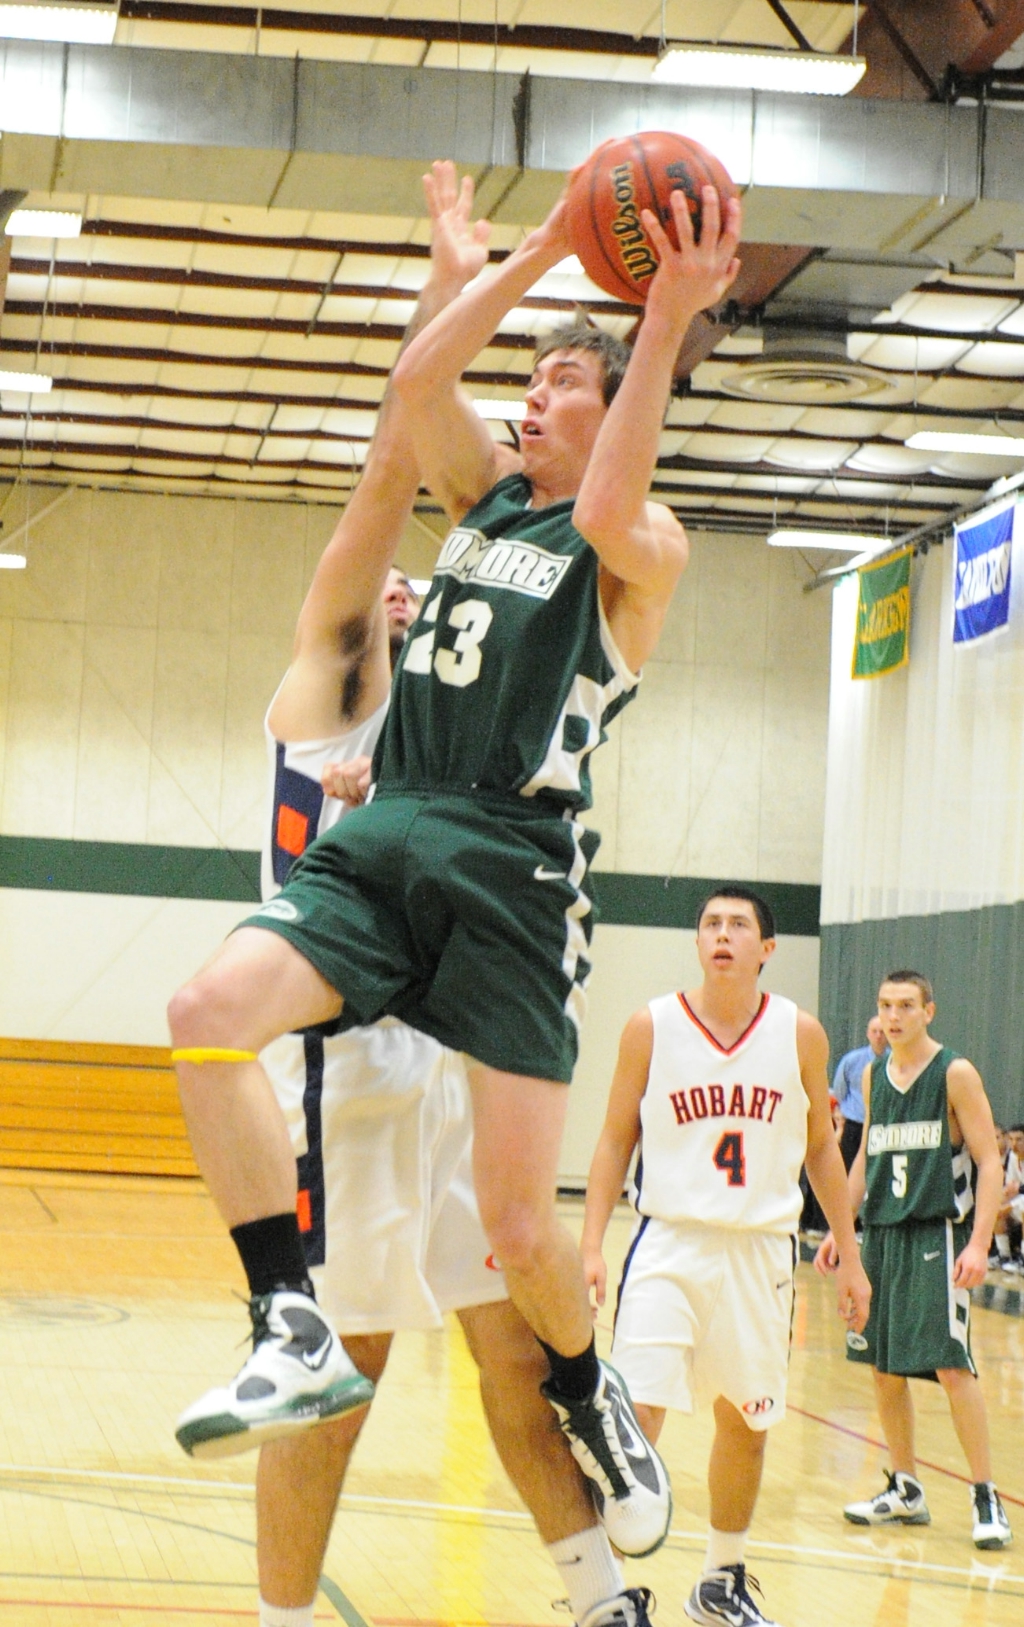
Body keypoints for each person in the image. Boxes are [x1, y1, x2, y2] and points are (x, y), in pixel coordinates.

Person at [167, 159, 742, 1556]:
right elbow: (416, 386)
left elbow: (609, 509)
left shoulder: (638, 547)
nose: (530, 400)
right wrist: (539, 246)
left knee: (517, 1225)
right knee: (204, 1013)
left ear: (615, 411)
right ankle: (283, 1311)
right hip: (398, 815)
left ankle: (592, 1387)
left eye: (560, 387)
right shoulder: (483, 501)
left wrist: (664, 314)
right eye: (533, 385)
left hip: (513, 859)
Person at [234, 166, 652, 1627]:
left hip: (465, 1022)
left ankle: (603, 1595)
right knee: (342, 1380)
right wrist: (456, 280)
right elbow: (393, 454)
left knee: (512, 1360)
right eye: (405, 587)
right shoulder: (333, 674)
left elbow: (449, 464)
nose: (421, 596)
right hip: (352, 1045)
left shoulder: (475, 671)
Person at [581, 886, 871, 1627]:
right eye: (710, 923)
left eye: (738, 925)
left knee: (747, 1419)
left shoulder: (800, 1033)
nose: (722, 934)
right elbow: (615, 1139)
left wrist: (851, 1250)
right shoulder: (651, 1025)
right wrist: (589, 1244)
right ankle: (604, 1591)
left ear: (766, 949)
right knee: (634, 1414)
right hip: (669, 1240)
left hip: (762, 1250)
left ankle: (719, 1580)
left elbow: (818, 1148)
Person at [815, 971, 1012, 1550]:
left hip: (936, 1234)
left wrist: (978, 1243)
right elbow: (865, 1157)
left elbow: (990, 1161)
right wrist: (841, 1228)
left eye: (906, 1005)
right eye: (885, 1006)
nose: (893, 1016)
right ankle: (905, 1488)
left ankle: (985, 1493)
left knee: (953, 1367)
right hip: (880, 1236)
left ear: (930, 1009)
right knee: (882, 1365)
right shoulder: (874, 1076)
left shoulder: (955, 1072)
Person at [833, 1016, 886, 1172]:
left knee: (879, 1173)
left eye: (882, 1032)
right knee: (850, 1171)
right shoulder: (851, 1060)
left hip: (882, 1126)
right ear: (867, 1034)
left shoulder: (895, 1061)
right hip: (854, 1126)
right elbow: (839, 1090)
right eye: (874, 1031)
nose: (878, 1036)